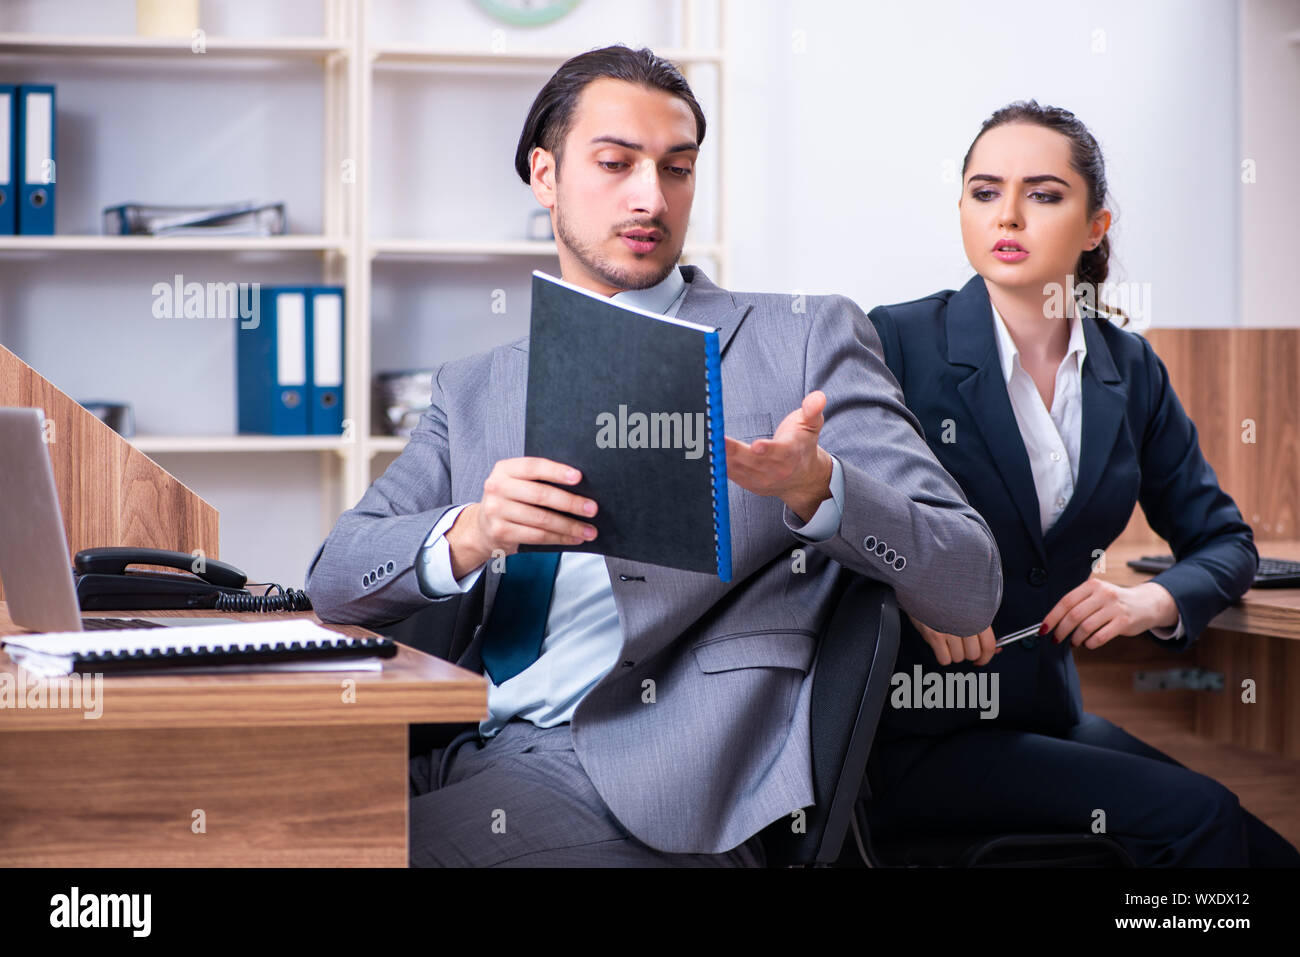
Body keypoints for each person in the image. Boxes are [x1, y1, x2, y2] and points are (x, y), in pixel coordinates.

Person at [303, 46, 1002, 867]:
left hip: (655, 788)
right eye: (615, 164)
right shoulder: (476, 388)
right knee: (225, 825)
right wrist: (471, 533)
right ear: (546, 175)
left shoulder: (799, 342)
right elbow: (334, 577)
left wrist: (826, 492)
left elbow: (968, 580)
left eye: (677, 169)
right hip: (455, 747)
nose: (650, 197)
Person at [863, 100, 1299, 866]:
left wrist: (1150, 599)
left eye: (1044, 194)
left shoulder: (1129, 370)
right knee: (1198, 820)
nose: (1009, 215)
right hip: (916, 732)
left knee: (1253, 845)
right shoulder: (894, 340)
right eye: (985, 191)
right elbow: (835, 521)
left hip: (1048, 716)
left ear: (1096, 224)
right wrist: (911, 585)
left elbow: (1224, 541)